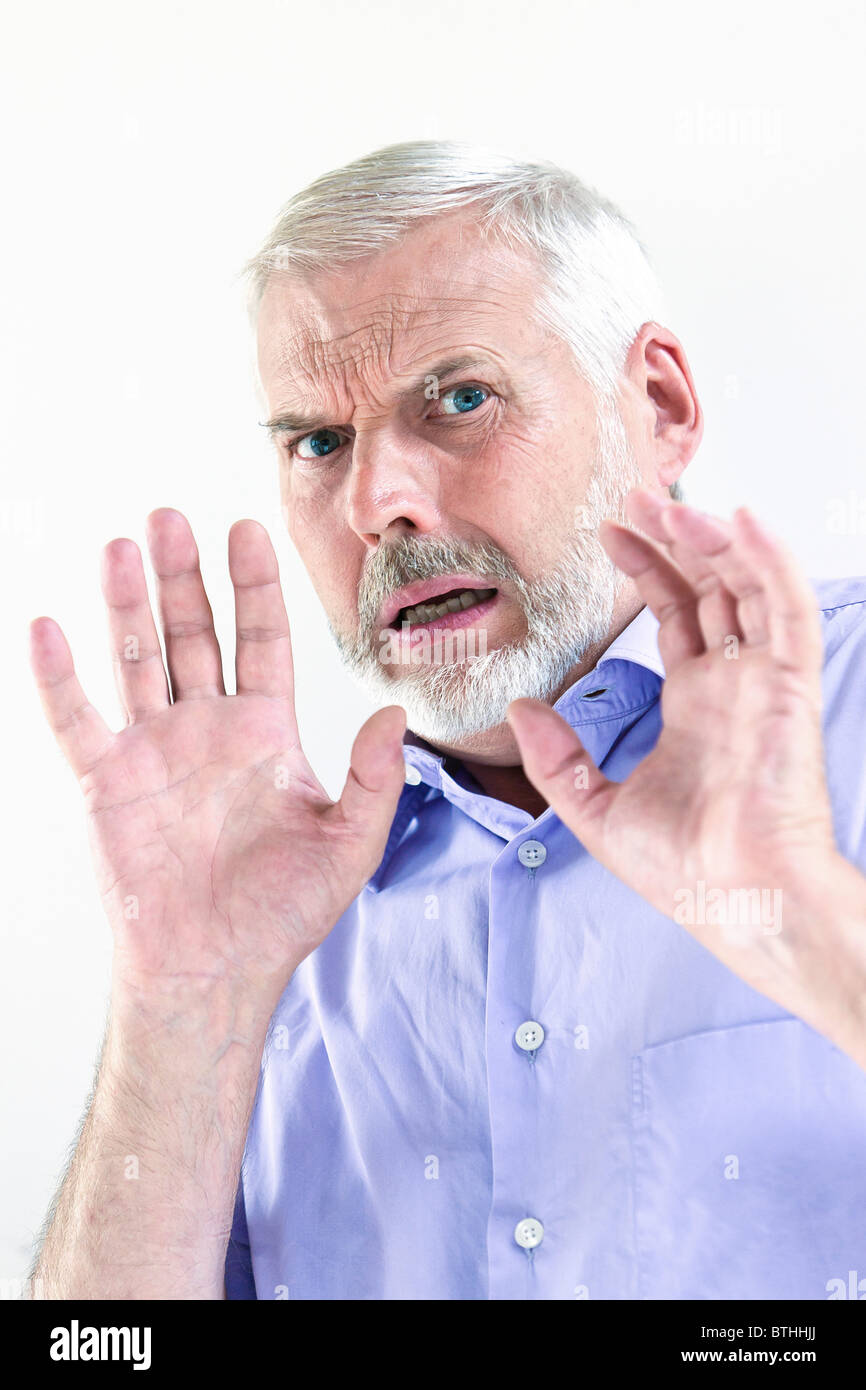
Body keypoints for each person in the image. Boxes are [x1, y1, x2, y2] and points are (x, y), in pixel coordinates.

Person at [28, 143, 866, 1301]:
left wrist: (812, 926)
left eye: (460, 399)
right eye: (319, 442)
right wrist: (176, 1012)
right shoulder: (272, 904)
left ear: (660, 407)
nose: (380, 505)